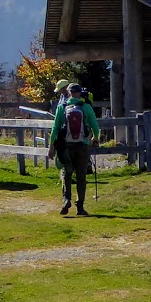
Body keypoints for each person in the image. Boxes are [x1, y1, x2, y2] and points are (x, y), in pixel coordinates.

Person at [50, 83, 100, 215]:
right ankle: (80, 206)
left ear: (69, 93)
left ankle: (66, 200)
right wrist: (94, 139)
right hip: (82, 145)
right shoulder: (86, 107)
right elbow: (96, 127)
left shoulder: (62, 107)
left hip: (66, 145)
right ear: (80, 93)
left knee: (67, 173)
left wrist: (51, 146)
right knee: (81, 176)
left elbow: (55, 128)